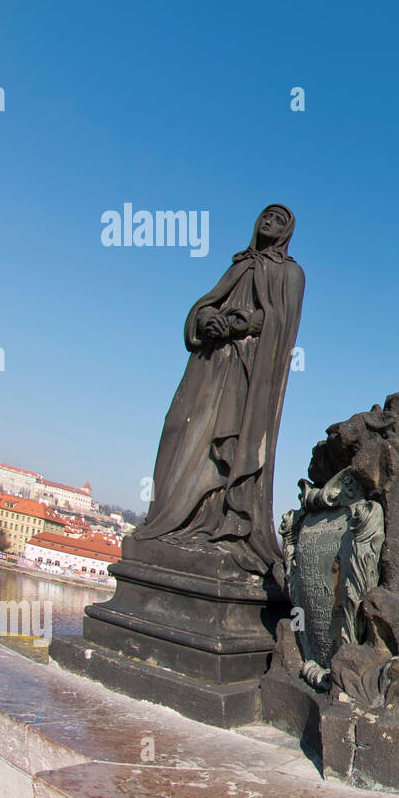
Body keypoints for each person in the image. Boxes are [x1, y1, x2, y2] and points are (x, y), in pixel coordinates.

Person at [134, 204, 304, 577]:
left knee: (223, 443)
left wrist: (244, 323)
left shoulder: (290, 273)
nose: (268, 222)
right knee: (178, 428)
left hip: (245, 371)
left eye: (278, 220)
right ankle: (171, 519)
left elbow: (282, 325)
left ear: (287, 231)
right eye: (265, 216)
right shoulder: (240, 264)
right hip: (209, 365)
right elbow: (208, 302)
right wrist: (206, 317)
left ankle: (217, 522)